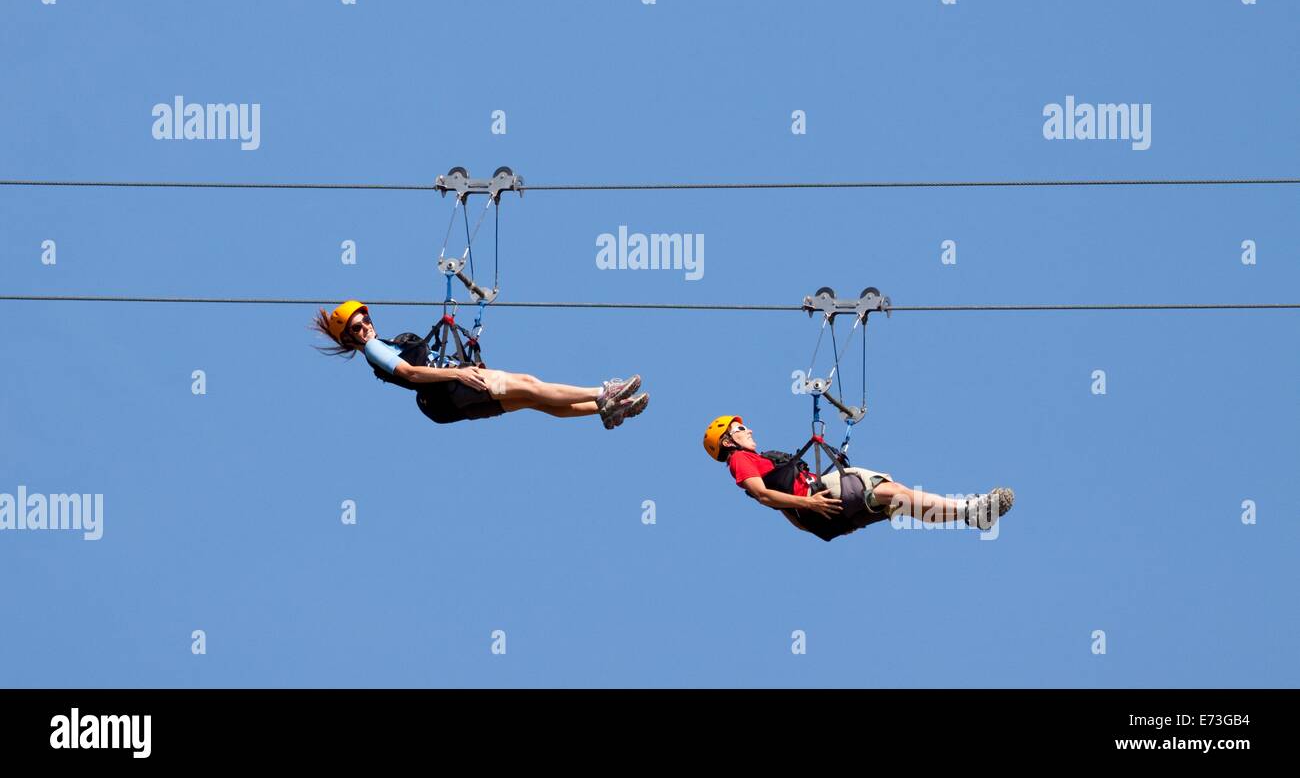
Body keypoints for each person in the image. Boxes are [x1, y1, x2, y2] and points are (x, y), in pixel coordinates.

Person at [312, 300, 649, 428]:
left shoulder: (383, 344)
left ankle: (604, 408)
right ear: (350, 340)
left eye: (365, 319)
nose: (366, 327)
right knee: (532, 384)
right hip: (455, 387)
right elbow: (410, 373)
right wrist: (458, 371)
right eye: (357, 327)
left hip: (452, 403)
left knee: (534, 400)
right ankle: (602, 392)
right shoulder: (373, 349)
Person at [703, 415, 1014, 538]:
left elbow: (781, 508)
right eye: (740, 429)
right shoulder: (741, 459)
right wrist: (811, 506)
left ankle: (971, 515)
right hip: (823, 500)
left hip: (825, 512)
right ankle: (971, 510)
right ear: (728, 442)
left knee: (899, 499)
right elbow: (764, 496)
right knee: (893, 494)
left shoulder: (760, 461)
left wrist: (816, 522)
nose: (749, 430)